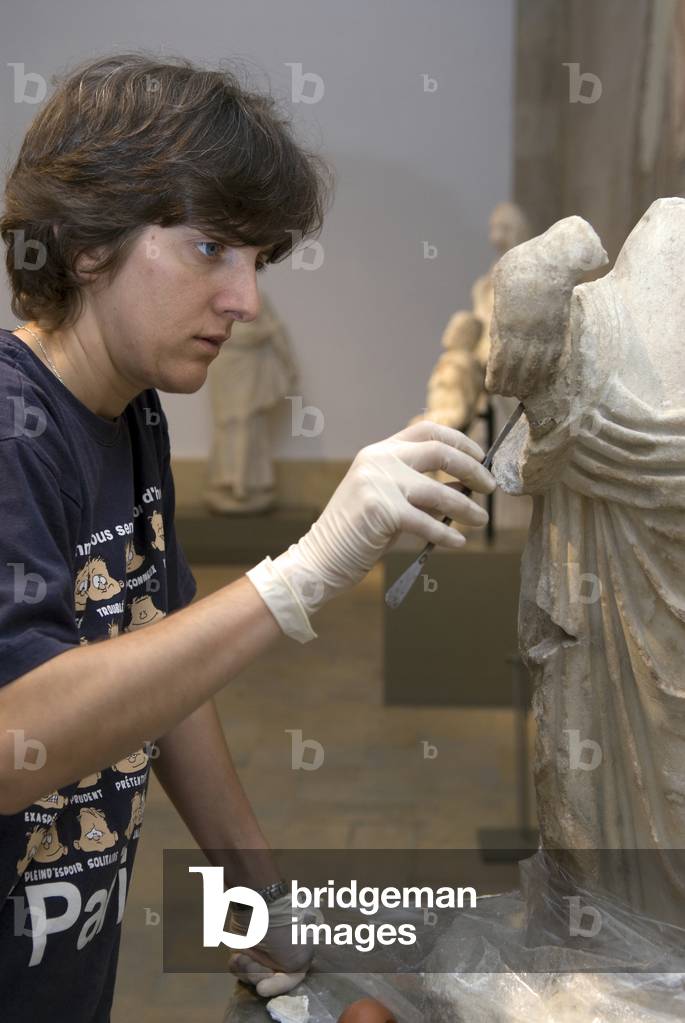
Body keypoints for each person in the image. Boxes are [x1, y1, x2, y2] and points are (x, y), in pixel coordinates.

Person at [0, 52, 496, 1021]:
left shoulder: (130, 412)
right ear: (89, 243)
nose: (246, 300)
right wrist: (306, 570)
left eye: (256, 261)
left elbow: (164, 667)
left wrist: (255, 894)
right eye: (210, 250)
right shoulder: (14, 431)